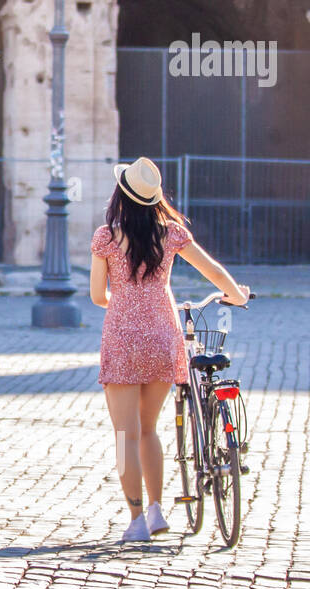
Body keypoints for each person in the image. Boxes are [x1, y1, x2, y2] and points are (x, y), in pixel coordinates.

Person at [89, 157, 248, 543]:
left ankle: (136, 519)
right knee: (149, 430)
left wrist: (126, 303)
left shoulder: (106, 238)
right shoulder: (172, 234)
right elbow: (211, 269)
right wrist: (235, 294)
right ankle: (158, 509)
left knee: (125, 436)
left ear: (120, 197)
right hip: (164, 336)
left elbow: (97, 296)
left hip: (123, 340)